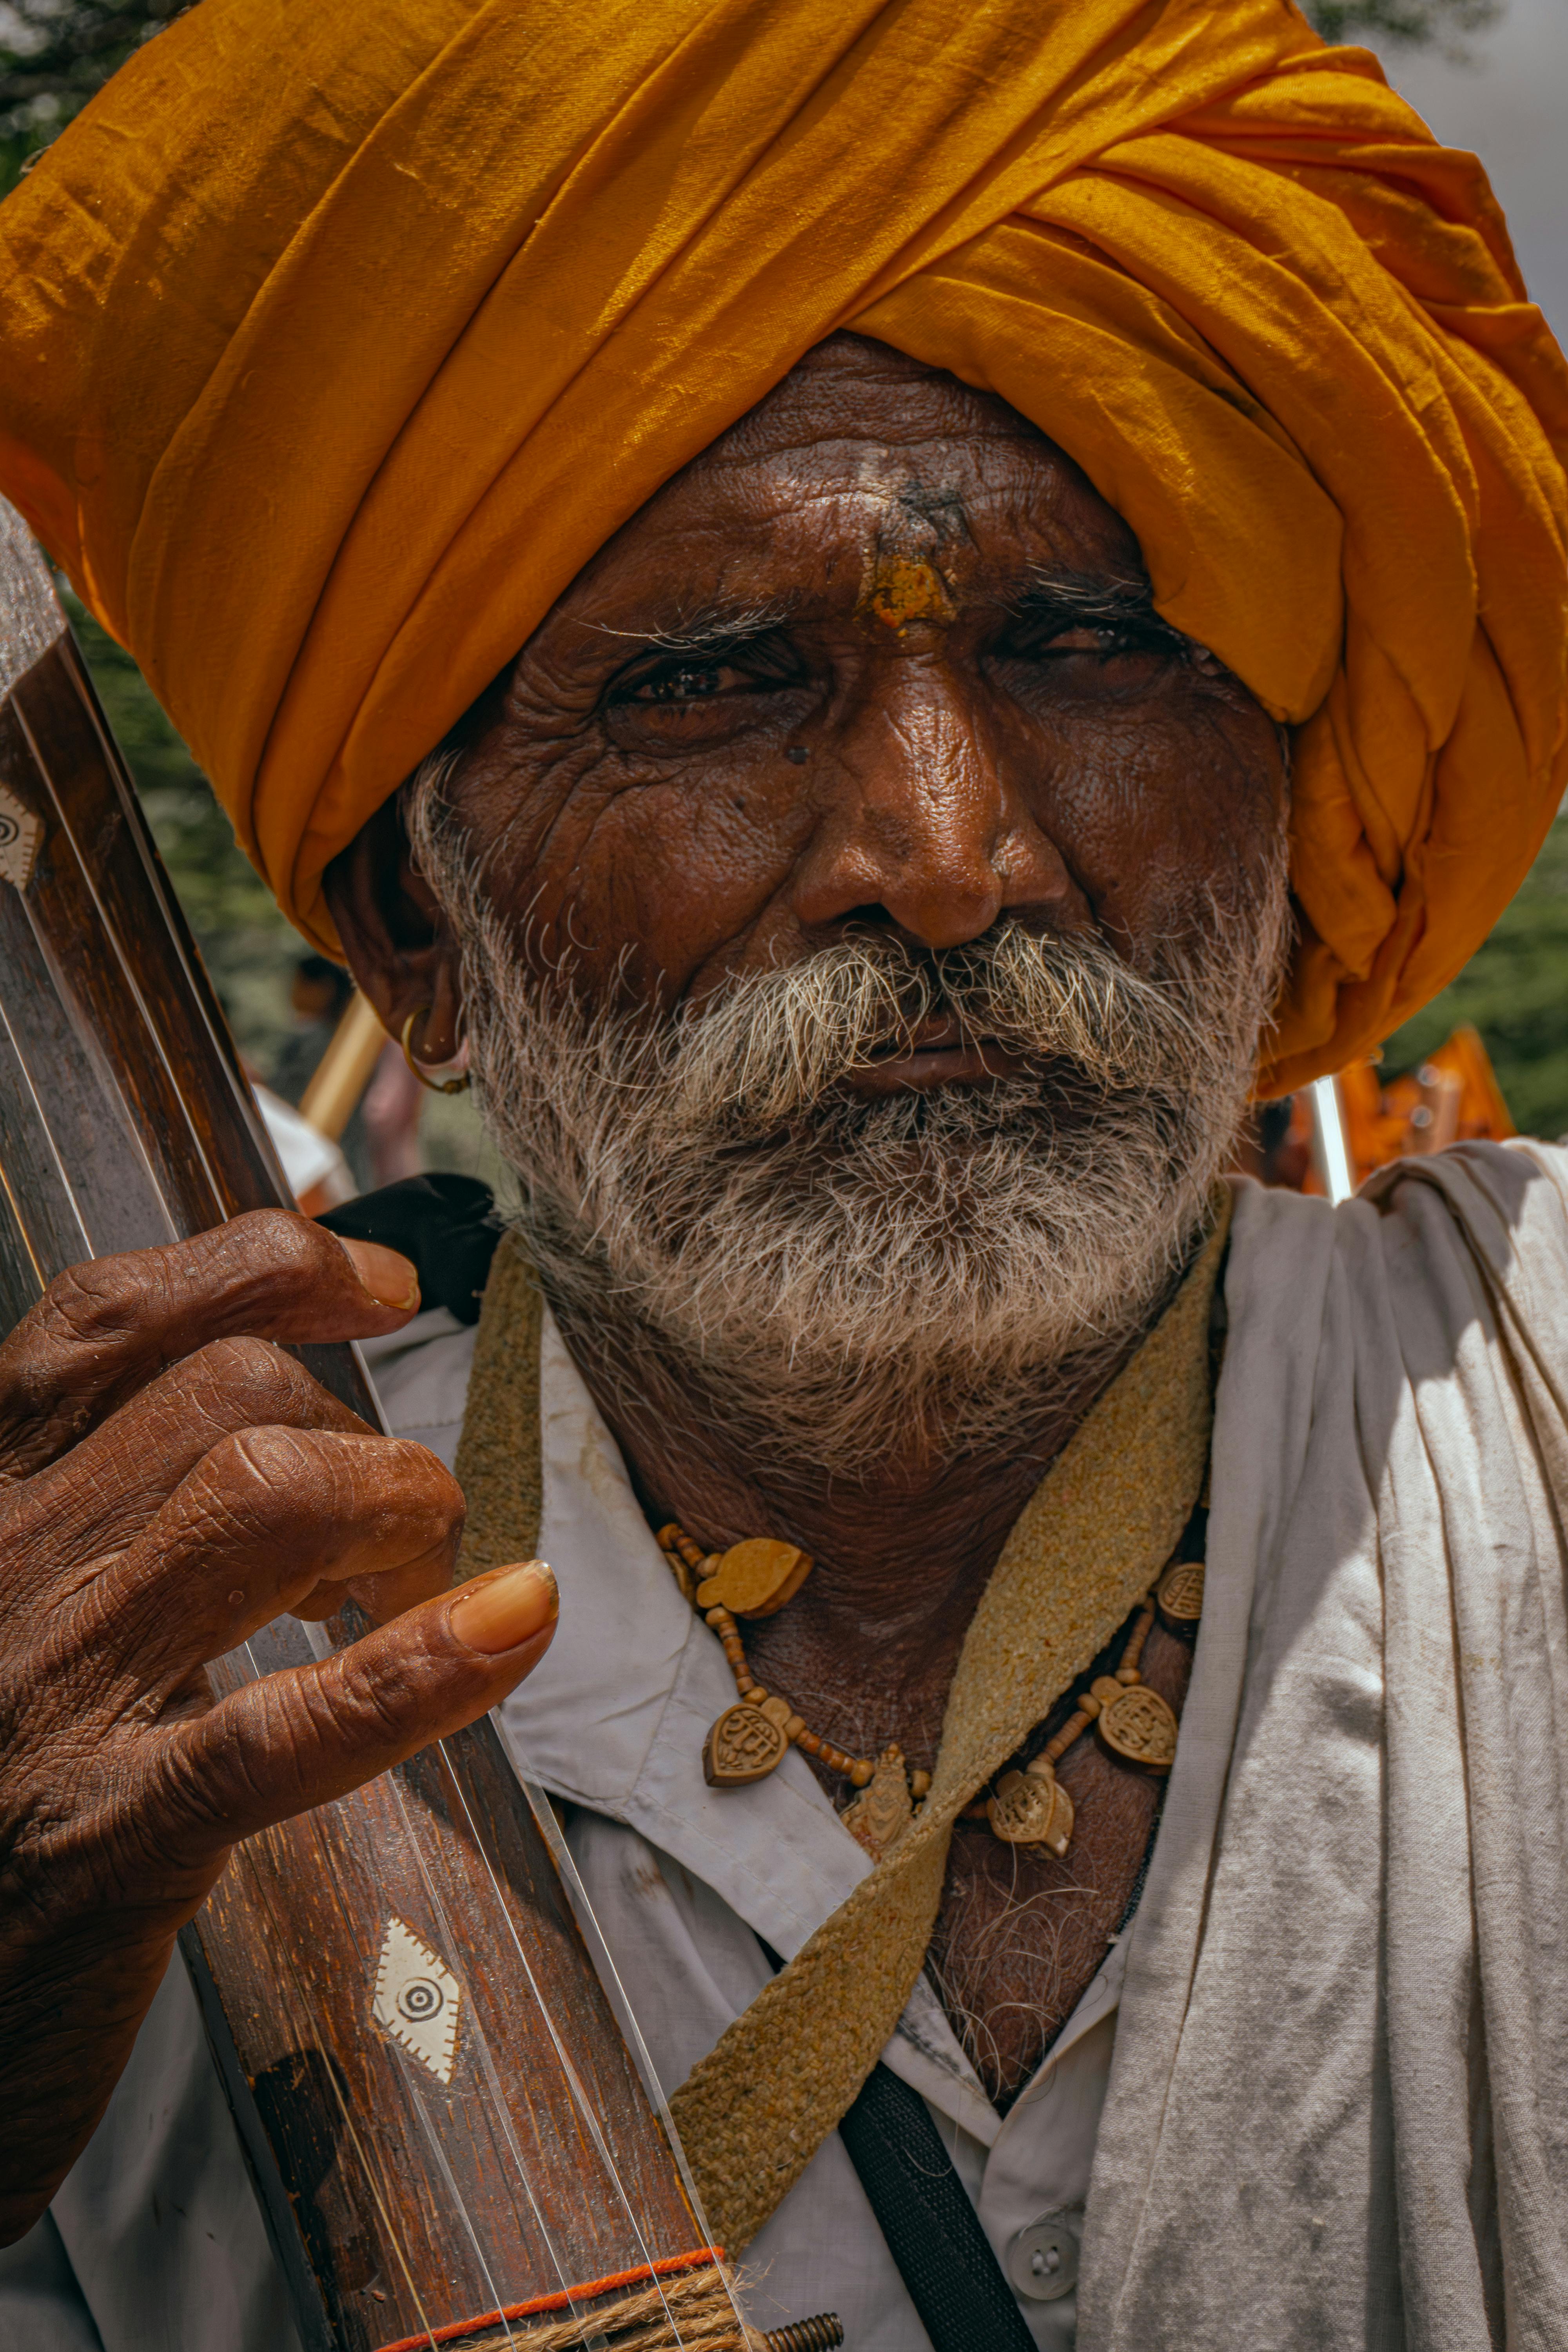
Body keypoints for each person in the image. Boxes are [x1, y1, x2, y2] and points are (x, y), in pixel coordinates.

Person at [0, 2, 1564, 2347]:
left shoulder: (1528, 1402)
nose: (946, 855)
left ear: (1290, 812)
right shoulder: (110, 1678)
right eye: (710, 682)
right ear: (418, 924)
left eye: (1093, 642)